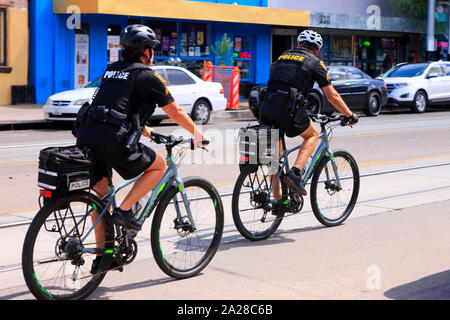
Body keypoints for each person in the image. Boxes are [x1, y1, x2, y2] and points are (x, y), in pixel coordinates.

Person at [75, 25, 208, 271]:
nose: (153, 54)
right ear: (145, 51)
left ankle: (103, 257)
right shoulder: (147, 75)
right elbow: (175, 111)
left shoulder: (112, 70)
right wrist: (198, 133)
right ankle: (126, 211)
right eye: (152, 49)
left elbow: (117, 105)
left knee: (102, 200)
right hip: (110, 138)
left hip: (85, 135)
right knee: (159, 165)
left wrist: (145, 129)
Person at [258, 30, 358, 214]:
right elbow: (332, 95)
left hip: (265, 107)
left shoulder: (282, 57)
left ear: (299, 44)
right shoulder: (315, 63)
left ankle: (279, 202)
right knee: (312, 134)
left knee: (274, 159)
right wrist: (350, 115)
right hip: (287, 108)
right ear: (318, 50)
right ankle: (296, 172)